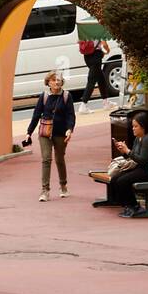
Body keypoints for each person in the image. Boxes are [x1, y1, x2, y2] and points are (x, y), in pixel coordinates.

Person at [23, 70, 75, 202]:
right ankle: (45, 190)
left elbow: (70, 115)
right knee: (46, 159)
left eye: (59, 80)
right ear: (48, 82)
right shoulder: (44, 96)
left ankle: (63, 186)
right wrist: (29, 132)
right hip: (45, 133)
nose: (57, 82)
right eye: (53, 80)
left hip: (60, 133)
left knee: (59, 159)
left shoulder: (66, 96)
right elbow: (36, 115)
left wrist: (69, 129)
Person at [108, 111, 148, 217]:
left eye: (136, 126)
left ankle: (135, 207)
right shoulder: (138, 138)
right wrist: (124, 152)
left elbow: (142, 159)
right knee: (116, 178)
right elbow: (133, 157)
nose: (133, 128)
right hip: (142, 168)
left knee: (123, 181)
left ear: (143, 127)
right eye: (133, 126)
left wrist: (127, 151)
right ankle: (127, 206)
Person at [79, 37, 110, 104]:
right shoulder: (97, 28)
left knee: (101, 78)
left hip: (86, 56)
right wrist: (107, 50)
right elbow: (104, 44)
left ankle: (106, 102)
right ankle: (83, 104)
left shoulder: (84, 29)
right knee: (91, 80)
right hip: (96, 55)